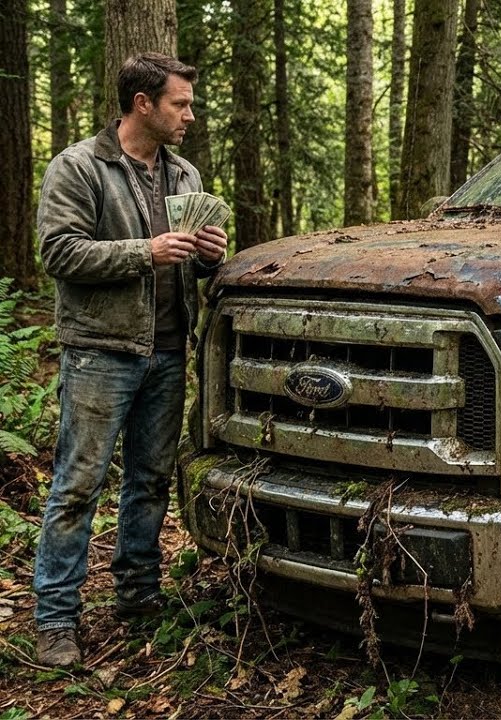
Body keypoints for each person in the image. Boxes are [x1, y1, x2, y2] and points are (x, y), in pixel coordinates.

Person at [33, 53, 228, 667]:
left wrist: (210, 256)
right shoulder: (79, 167)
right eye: (180, 103)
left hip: (169, 354)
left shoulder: (187, 175)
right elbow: (60, 252)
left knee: (149, 482)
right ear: (143, 103)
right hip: (100, 353)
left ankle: (139, 598)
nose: (190, 115)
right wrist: (144, 251)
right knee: (77, 487)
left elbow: (193, 261)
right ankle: (55, 620)